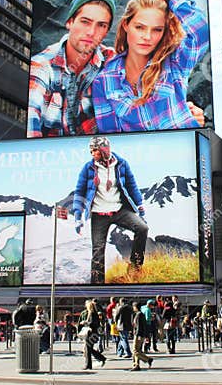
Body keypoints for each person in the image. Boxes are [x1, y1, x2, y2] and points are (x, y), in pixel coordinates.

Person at [91, 0, 209, 133]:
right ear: (126, 25)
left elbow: (202, 31)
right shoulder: (103, 80)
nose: (147, 36)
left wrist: (171, 0)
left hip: (187, 147)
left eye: (157, 30)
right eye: (140, 27)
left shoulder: (176, 61)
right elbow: (112, 134)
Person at [28, 0, 118, 137]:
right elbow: (31, 130)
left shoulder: (112, 62)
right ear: (69, 22)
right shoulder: (41, 66)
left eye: (101, 25)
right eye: (85, 22)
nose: (91, 32)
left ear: (106, 32)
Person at [72, 136, 149, 284]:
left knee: (142, 228)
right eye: (91, 151)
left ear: (104, 150)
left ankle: (135, 268)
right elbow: (79, 192)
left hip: (119, 209)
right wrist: (77, 215)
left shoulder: (121, 164)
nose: (92, 154)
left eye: (95, 150)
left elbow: (132, 186)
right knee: (98, 251)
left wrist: (139, 206)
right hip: (98, 214)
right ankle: (97, 286)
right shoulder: (88, 168)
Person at [80, 300, 106, 370]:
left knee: (88, 349)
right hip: (94, 333)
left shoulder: (92, 313)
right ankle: (101, 358)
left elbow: (93, 323)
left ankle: (88, 365)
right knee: (89, 349)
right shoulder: (93, 313)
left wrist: (85, 322)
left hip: (92, 333)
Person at [130, 301, 153, 371]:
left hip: (138, 335)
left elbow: (140, 326)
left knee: (135, 350)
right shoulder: (139, 314)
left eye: (133, 307)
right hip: (140, 334)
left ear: (135, 307)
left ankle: (148, 359)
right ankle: (136, 365)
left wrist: (138, 335)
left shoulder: (139, 315)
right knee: (138, 350)